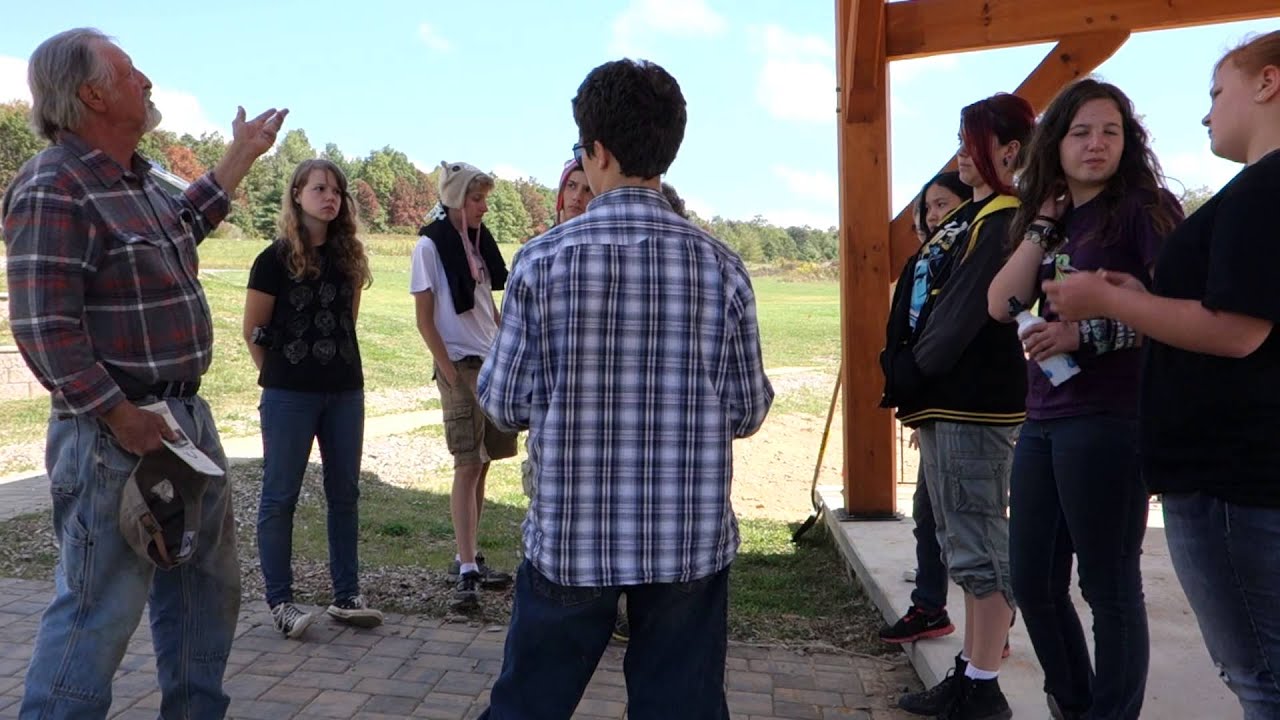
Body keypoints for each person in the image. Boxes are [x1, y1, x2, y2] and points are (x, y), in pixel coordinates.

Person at [475, 59, 773, 719]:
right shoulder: (722, 267)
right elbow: (748, 410)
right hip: (688, 539)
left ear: (599, 153)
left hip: (570, 534)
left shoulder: (542, 261)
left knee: (529, 704)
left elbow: (501, 401)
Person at [2, 28, 285, 718]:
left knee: (204, 597)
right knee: (98, 611)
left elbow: (185, 221)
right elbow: (45, 327)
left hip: (182, 423)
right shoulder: (53, 186)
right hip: (114, 435)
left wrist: (238, 159)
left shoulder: (136, 180)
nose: (148, 80)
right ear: (92, 93)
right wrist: (122, 417)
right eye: (130, 73)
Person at [1043, 32, 1280, 720]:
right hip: (1234, 476)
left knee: (1261, 676)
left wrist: (1111, 302)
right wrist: (1137, 299)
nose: (1207, 115)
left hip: (1233, 480)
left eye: (1216, 92)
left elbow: (1237, 332)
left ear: (1268, 83)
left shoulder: (1263, 191)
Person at [987, 78, 1182, 720]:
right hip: (1044, 415)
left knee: (1108, 586)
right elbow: (1001, 303)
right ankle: (1073, 703)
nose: (1097, 144)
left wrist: (1086, 331)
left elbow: (1176, 314)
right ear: (1056, 143)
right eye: (1080, 132)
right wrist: (1043, 220)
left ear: (1129, 142)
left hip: (1110, 417)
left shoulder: (1146, 211)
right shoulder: (1056, 218)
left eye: (1111, 131)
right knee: (1034, 583)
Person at [880, 93, 1035, 720]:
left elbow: (965, 310)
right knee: (957, 538)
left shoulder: (1004, 219)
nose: (961, 154)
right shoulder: (972, 217)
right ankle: (972, 673)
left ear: (1008, 150)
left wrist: (911, 373)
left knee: (977, 545)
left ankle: (984, 682)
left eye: (971, 141)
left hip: (972, 403)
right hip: (945, 403)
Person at [242, 158, 383, 639]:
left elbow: (350, 321)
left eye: (337, 191)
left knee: (345, 494)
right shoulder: (272, 259)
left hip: (345, 391)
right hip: (288, 396)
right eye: (320, 188)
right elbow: (253, 331)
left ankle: (347, 595)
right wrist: (281, 380)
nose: (331, 197)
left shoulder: (349, 260)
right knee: (279, 497)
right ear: (297, 194)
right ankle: (280, 601)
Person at [410, 161, 516, 611]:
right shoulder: (429, 246)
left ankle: (466, 557)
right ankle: (468, 571)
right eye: (476, 199)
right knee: (467, 464)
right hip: (459, 365)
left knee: (486, 463)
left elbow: (485, 299)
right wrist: (449, 372)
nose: (483, 207)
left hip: (492, 361)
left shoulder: (478, 241)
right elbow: (423, 317)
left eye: (485, 199)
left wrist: (505, 341)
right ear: (455, 199)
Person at [882, 171, 969, 647]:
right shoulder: (928, 264)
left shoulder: (972, 258)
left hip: (968, 411)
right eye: (929, 207)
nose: (935, 215)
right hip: (933, 408)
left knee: (970, 526)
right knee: (927, 513)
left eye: (944, 204)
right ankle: (930, 606)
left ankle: (991, 630)